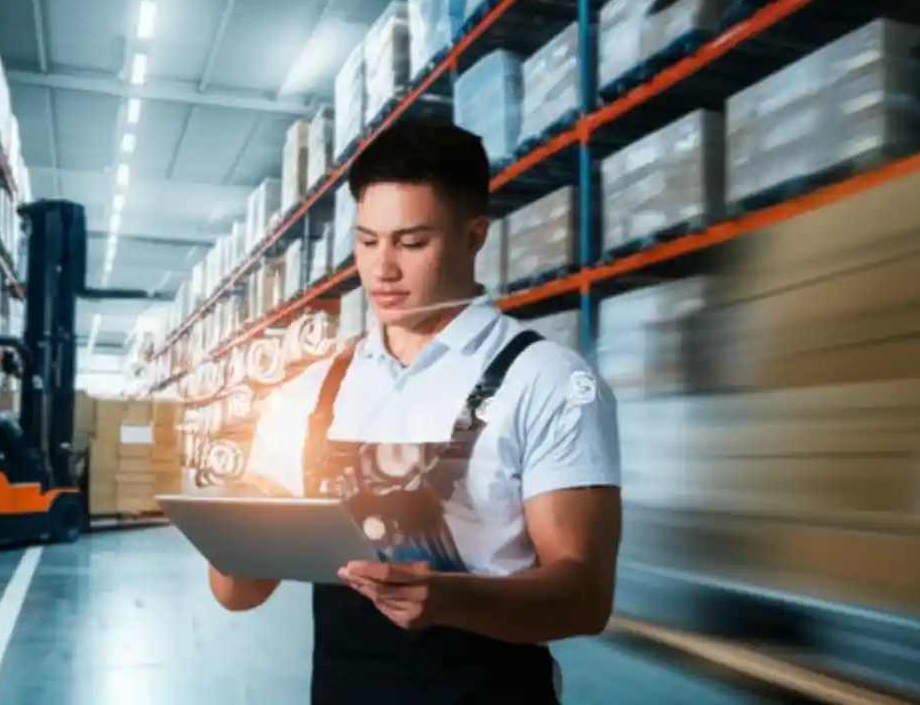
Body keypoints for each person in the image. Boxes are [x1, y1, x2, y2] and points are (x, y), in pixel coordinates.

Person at [207, 118, 622, 704]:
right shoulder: (312, 392)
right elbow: (239, 593)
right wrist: (233, 527)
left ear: (474, 236)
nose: (383, 270)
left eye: (411, 242)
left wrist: (452, 599)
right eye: (367, 240)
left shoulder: (547, 381)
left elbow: (584, 596)